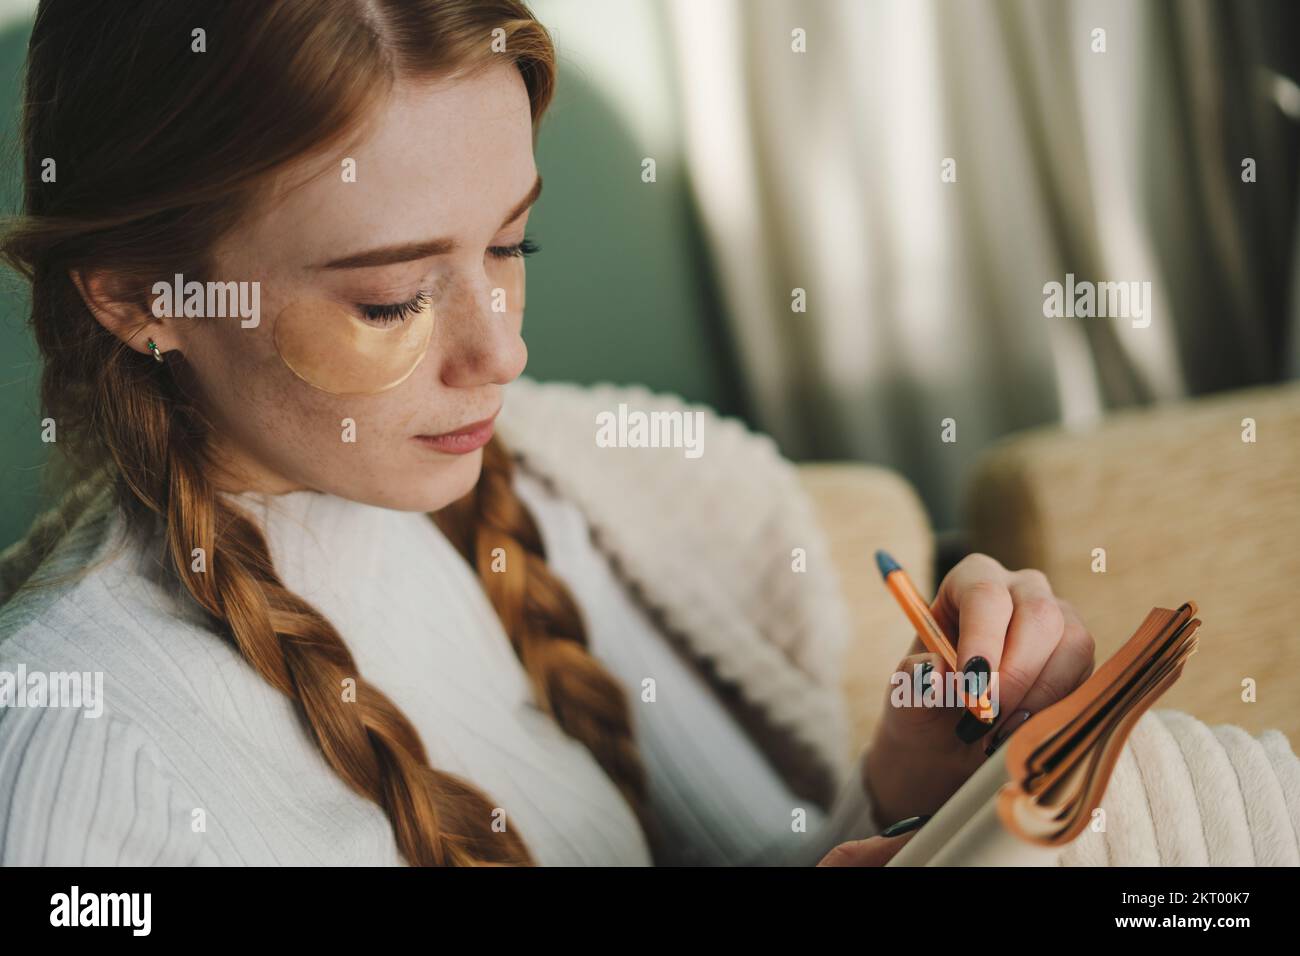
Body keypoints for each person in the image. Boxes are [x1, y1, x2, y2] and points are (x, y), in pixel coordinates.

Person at [0, 0, 1103, 867]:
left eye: (509, 248)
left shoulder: (518, 506)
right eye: (389, 298)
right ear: (141, 295)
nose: (503, 355)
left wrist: (913, 780)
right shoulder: (75, 755)